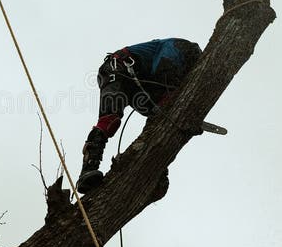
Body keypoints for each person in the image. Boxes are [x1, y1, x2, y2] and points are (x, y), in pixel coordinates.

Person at [77, 38, 202, 194]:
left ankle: (153, 157)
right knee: (110, 120)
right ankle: (89, 168)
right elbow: (164, 71)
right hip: (118, 69)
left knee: (157, 114)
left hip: (137, 80)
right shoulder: (182, 47)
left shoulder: (181, 58)